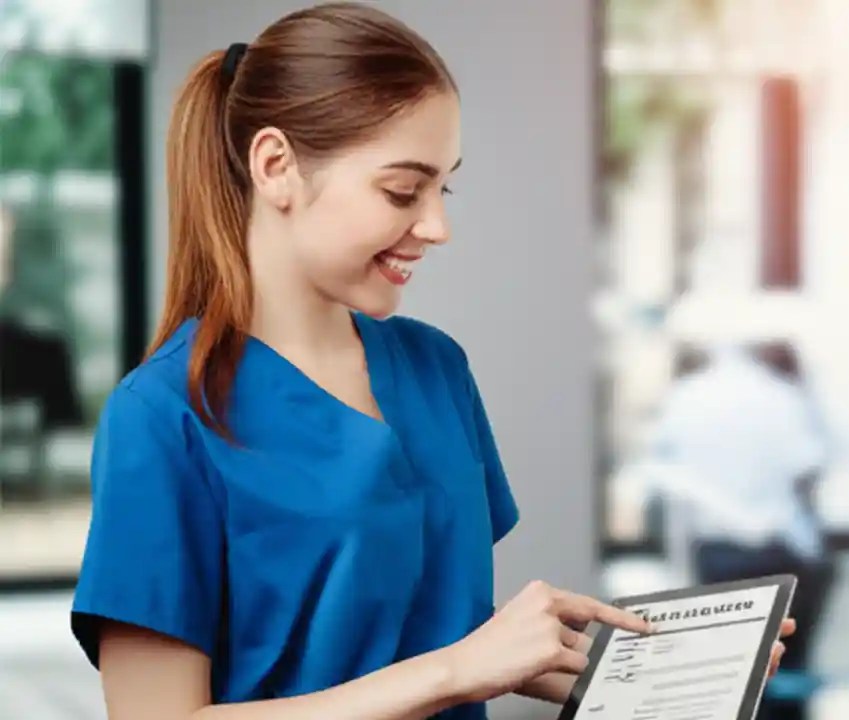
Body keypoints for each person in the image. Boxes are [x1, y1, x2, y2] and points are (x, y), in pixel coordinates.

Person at [68, 5, 792, 719]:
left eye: (441, 188)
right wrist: (456, 670)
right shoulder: (164, 415)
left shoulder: (435, 369)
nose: (436, 226)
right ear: (275, 166)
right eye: (401, 191)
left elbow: (429, 636)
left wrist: (634, 667)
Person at [647, 342, 835, 720]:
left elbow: (663, 479)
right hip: (781, 550)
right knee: (785, 676)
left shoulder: (688, 397)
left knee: (727, 681)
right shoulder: (782, 396)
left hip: (719, 555)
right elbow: (808, 466)